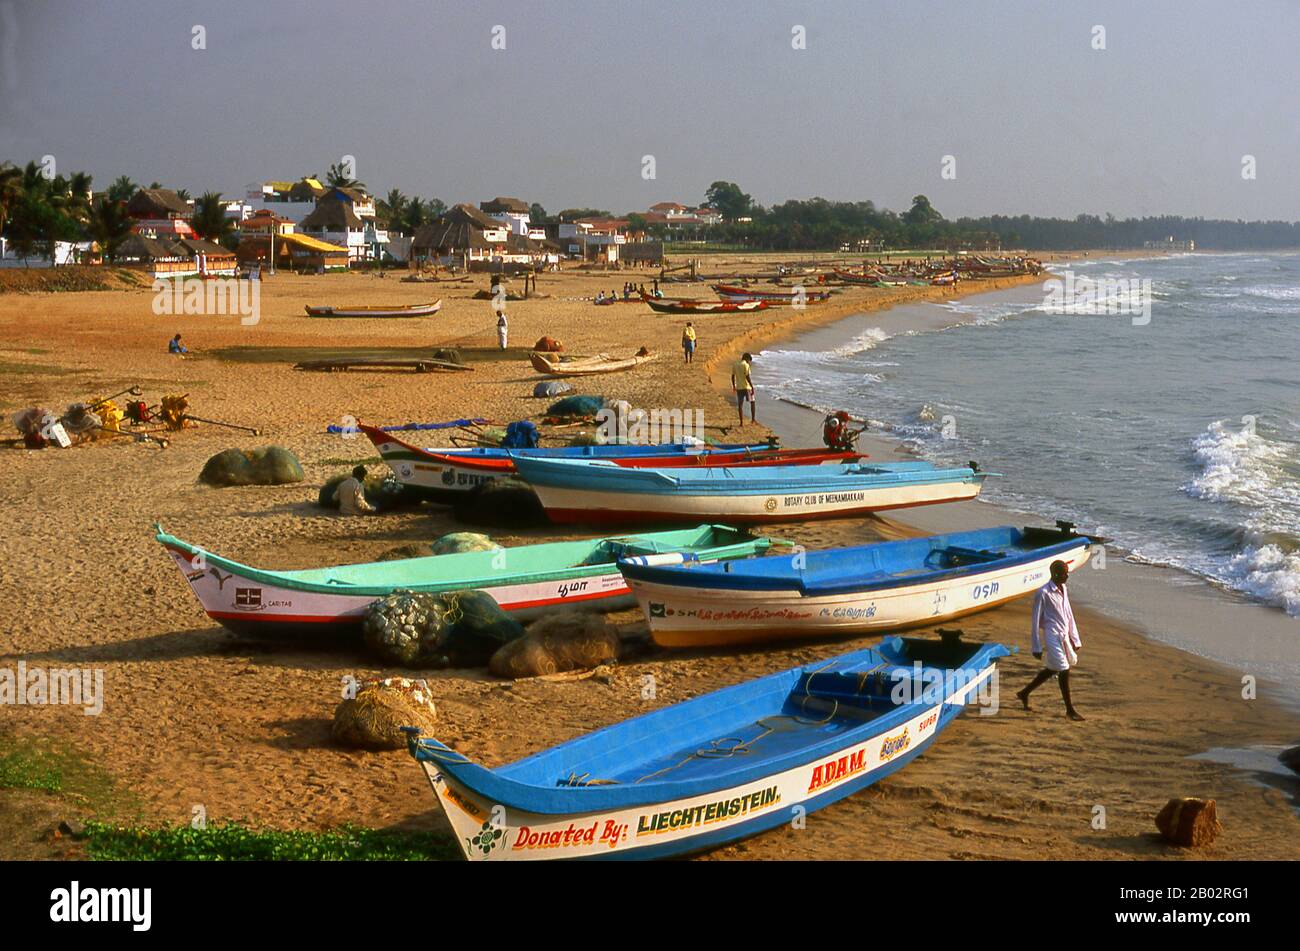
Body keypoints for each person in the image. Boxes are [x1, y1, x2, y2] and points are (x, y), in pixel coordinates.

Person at [1016, 560, 1085, 720]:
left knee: (1053, 668)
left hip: (1064, 635)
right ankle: (1070, 710)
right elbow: (1035, 621)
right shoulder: (1043, 593)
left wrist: (1075, 638)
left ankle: (1024, 693)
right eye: (1064, 573)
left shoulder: (1064, 589)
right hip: (1052, 636)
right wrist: (1036, 647)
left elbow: (1068, 613)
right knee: (1064, 669)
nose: (1067, 576)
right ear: (1055, 574)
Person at [731, 352, 756, 426]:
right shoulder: (746, 365)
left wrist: (734, 386)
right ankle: (753, 420)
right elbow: (747, 377)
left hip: (739, 387)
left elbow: (732, 376)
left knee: (740, 405)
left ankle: (741, 422)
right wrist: (752, 386)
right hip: (747, 387)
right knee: (752, 402)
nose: (749, 362)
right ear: (747, 358)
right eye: (749, 361)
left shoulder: (735, 365)